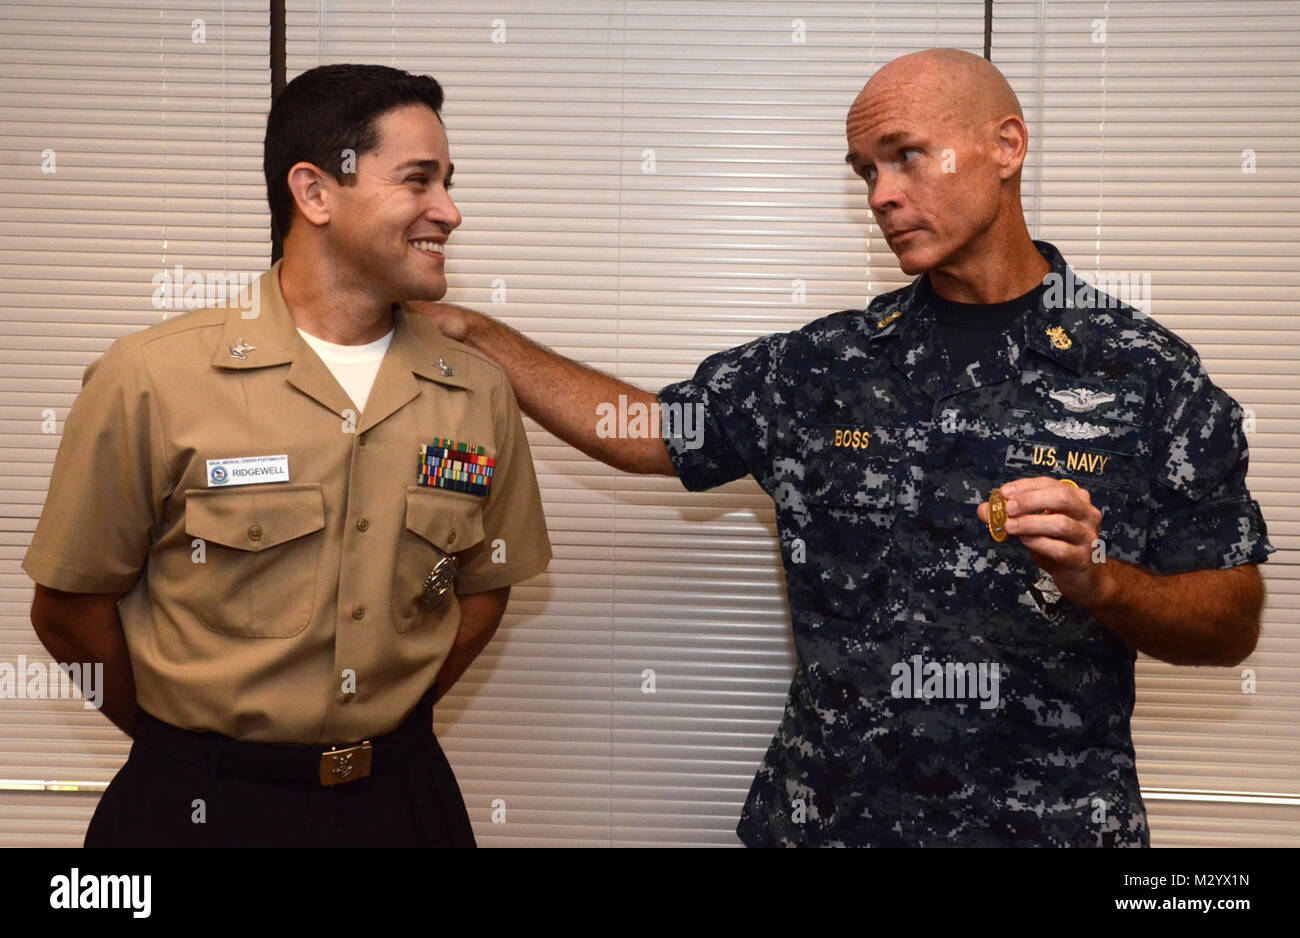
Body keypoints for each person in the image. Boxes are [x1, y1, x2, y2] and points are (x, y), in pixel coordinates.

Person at [410, 48, 1273, 846]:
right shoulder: (823, 367)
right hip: (829, 823)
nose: (881, 194)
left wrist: (1103, 582)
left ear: (1005, 146)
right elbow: (648, 434)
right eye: (866, 172)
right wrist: (473, 332)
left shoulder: (1144, 373)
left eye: (904, 156)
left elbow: (1231, 620)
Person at [22, 64, 552, 847]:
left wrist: (384, 720)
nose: (450, 211)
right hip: (198, 810)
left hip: (399, 805)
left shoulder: (476, 392)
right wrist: (190, 746)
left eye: (448, 181)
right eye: (418, 180)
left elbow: (485, 588)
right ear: (314, 193)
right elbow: (68, 613)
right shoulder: (154, 378)